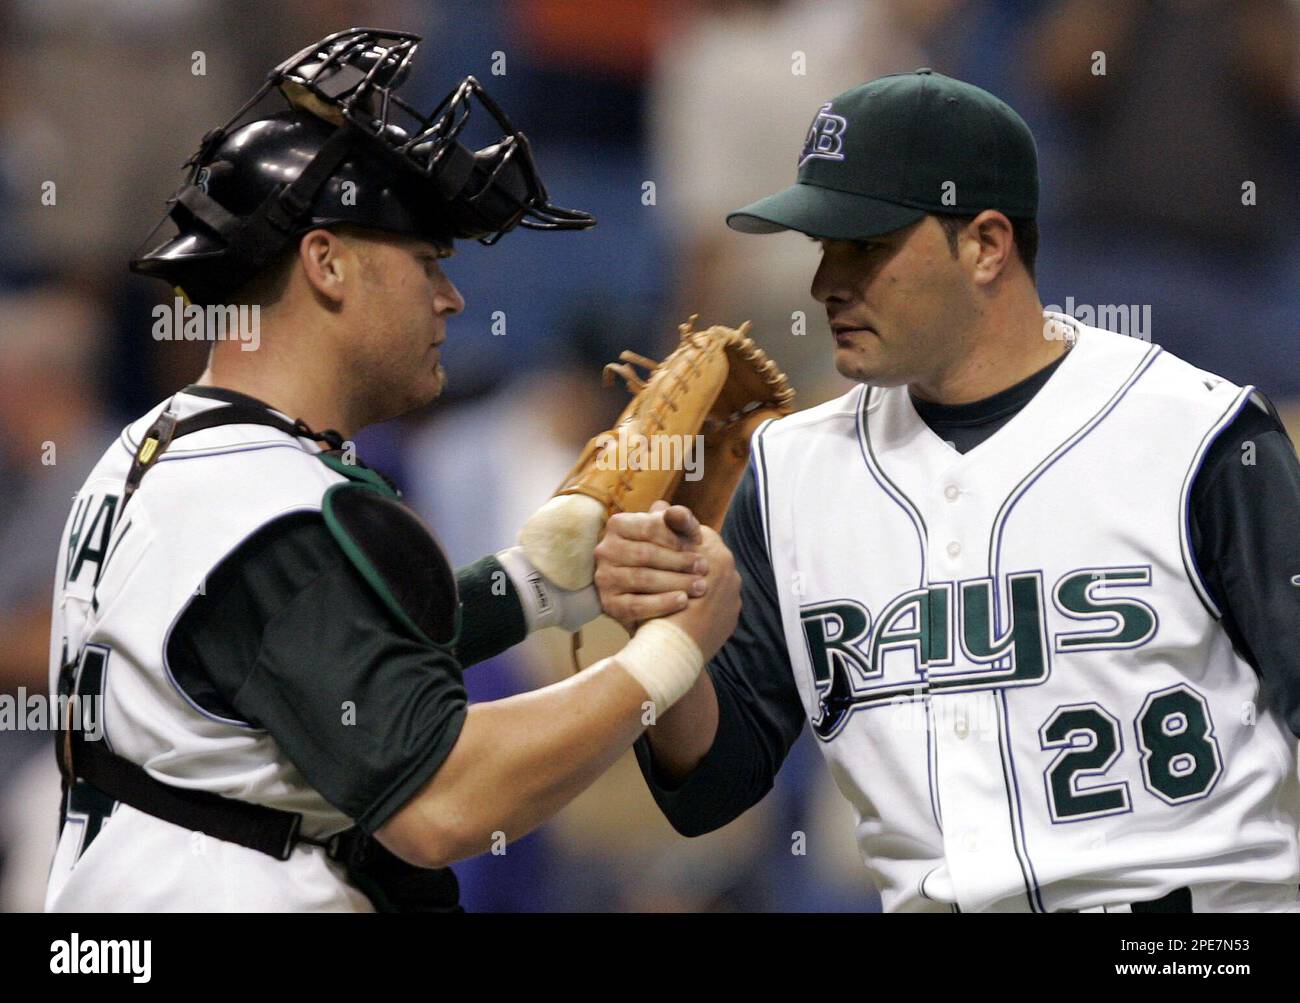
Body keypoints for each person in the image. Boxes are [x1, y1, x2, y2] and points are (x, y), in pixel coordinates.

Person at [46, 28, 739, 913]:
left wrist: (543, 584)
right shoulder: (265, 505)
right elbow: (440, 802)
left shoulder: (163, 444)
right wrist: (672, 653)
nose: (450, 298)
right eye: (425, 262)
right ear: (326, 262)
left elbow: (321, 661)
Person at [595, 69, 1300, 913]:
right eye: (823, 247)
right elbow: (711, 783)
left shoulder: (1199, 435)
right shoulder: (790, 469)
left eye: (865, 245)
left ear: (986, 245)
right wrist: (660, 638)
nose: (826, 285)